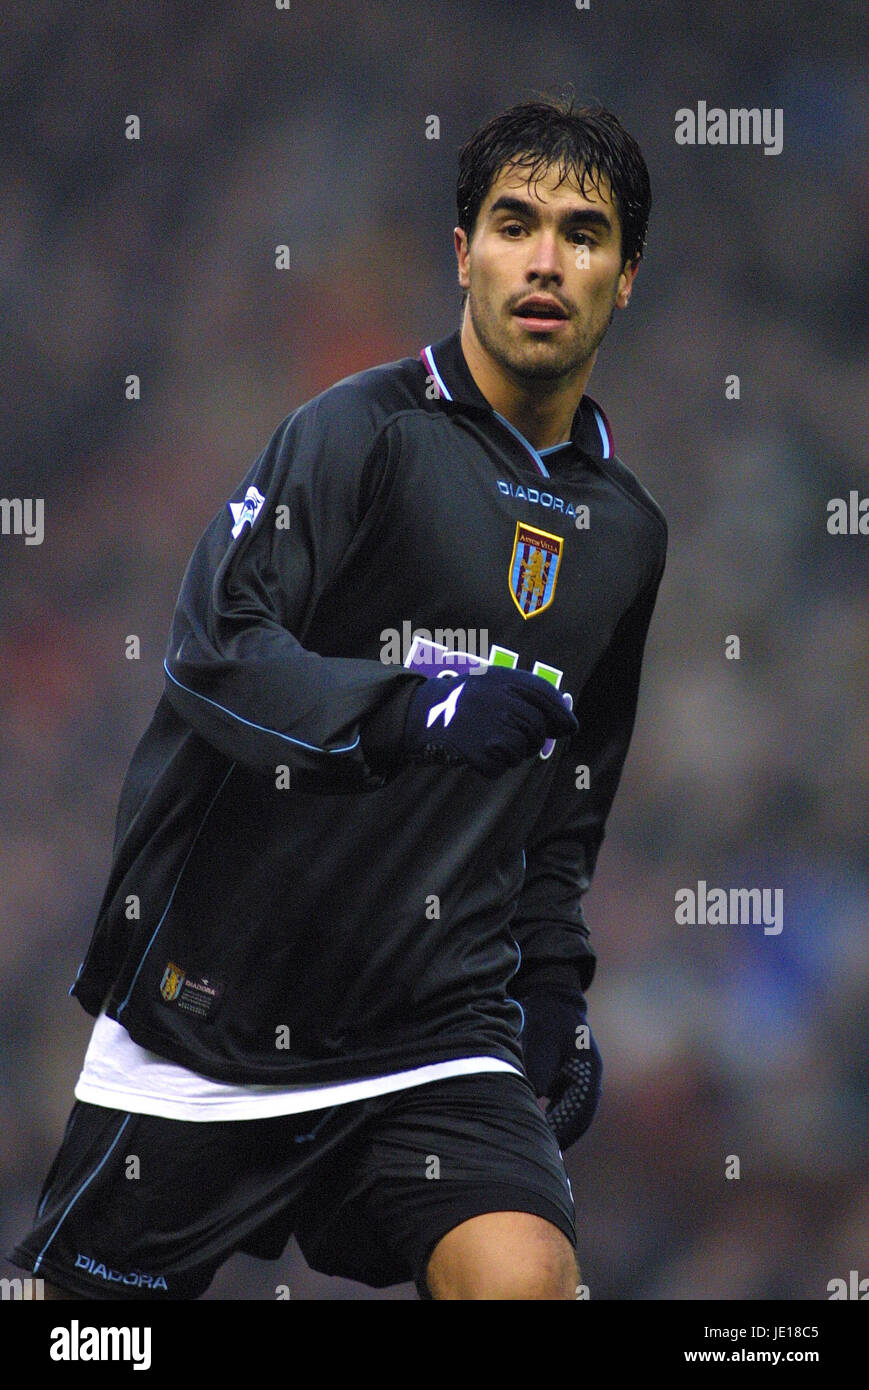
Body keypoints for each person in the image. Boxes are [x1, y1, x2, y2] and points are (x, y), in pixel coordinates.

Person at [11, 95, 666, 1301]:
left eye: (583, 233)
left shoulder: (625, 533)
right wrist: (407, 709)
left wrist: (556, 988)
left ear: (623, 278)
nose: (543, 257)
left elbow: (566, 803)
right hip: (214, 1012)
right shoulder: (355, 434)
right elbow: (217, 651)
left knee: (526, 1278)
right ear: (459, 251)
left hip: (434, 1029)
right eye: (513, 222)